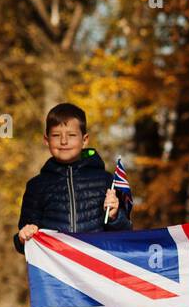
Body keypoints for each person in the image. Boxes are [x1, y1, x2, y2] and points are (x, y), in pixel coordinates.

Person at [13, 102, 132, 250]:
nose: (64, 141)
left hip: (95, 268)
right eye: (56, 135)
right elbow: (21, 242)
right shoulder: (36, 186)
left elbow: (125, 232)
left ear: (85, 140)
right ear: (46, 140)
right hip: (56, 270)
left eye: (71, 135)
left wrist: (114, 216)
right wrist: (23, 237)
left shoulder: (106, 181)